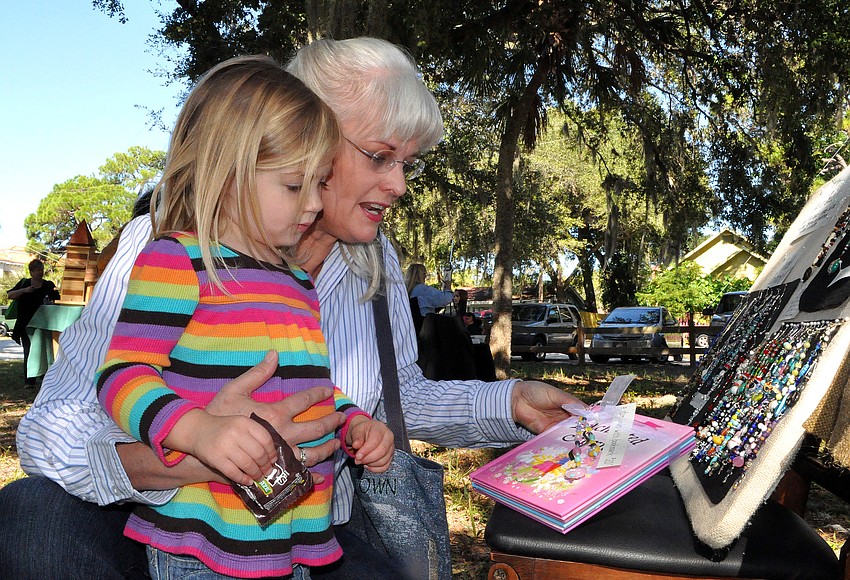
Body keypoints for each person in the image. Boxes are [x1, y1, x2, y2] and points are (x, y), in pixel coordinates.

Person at [3, 37, 585, 578]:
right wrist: (203, 447)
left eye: (408, 163)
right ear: (302, 133)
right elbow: (48, 432)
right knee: (34, 521)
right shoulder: (166, 246)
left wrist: (512, 403)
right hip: (163, 525)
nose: (400, 185)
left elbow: (395, 397)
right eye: (380, 156)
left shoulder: (373, 260)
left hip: (307, 533)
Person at [98, 55, 394, 580]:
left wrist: (355, 422)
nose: (313, 204)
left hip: (294, 532)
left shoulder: (297, 281)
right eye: (294, 186)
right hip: (206, 540)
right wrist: (197, 431)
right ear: (230, 174)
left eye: (319, 184)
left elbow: (307, 386)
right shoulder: (178, 260)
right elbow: (122, 374)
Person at [6, 258, 60, 386]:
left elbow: (58, 299)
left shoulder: (48, 285)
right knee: (29, 350)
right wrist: (24, 290)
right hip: (26, 324)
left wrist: (50, 302)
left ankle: (44, 377)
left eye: (41, 270)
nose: (40, 272)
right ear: (31, 272)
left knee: (45, 350)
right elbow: (10, 295)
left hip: (44, 324)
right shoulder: (24, 283)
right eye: (37, 270)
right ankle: (29, 380)